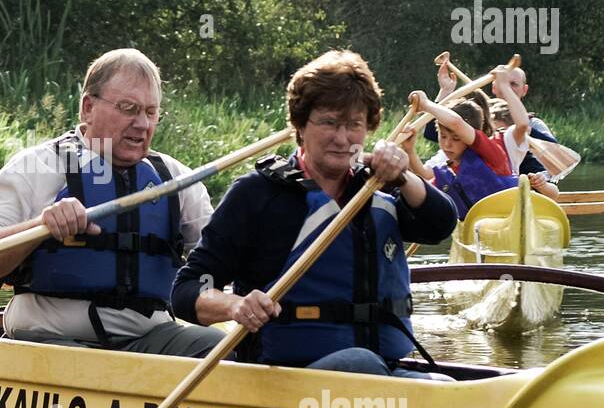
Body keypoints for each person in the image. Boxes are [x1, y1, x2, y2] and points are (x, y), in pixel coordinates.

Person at [171, 50, 456, 380]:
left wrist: (405, 176)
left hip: (382, 374)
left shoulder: (380, 185)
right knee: (359, 364)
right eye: (329, 122)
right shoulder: (256, 195)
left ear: (369, 128)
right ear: (300, 126)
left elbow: (441, 225)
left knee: (447, 388)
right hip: (288, 380)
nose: (342, 137)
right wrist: (234, 305)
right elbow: (187, 289)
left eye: (354, 125)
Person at [0, 48, 222, 358]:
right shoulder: (38, 167)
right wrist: (40, 225)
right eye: (128, 108)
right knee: (79, 364)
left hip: (150, 338)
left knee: (221, 351)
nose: (142, 123)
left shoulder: (177, 179)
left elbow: (217, 262)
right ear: (88, 107)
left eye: (150, 112)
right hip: (50, 338)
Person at [405, 76, 518, 219]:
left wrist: (426, 104)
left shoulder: (492, 153)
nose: (447, 144)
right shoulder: (448, 172)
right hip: (477, 233)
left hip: (510, 221)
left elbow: (455, 123)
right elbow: (423, 176)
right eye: (443, 136)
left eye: (456, 139)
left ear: (467, 136)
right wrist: (409, 150)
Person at [425, 59, 558, 178]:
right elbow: (431, 132)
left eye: (514, 84)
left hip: (522, 184)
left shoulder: (532, 123)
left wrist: (525, 132)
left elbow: (554, 152)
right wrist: (445, 92)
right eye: (505, 83)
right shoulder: (479, 115)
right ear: (494, 87)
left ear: (524, 90)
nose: (509, 89)